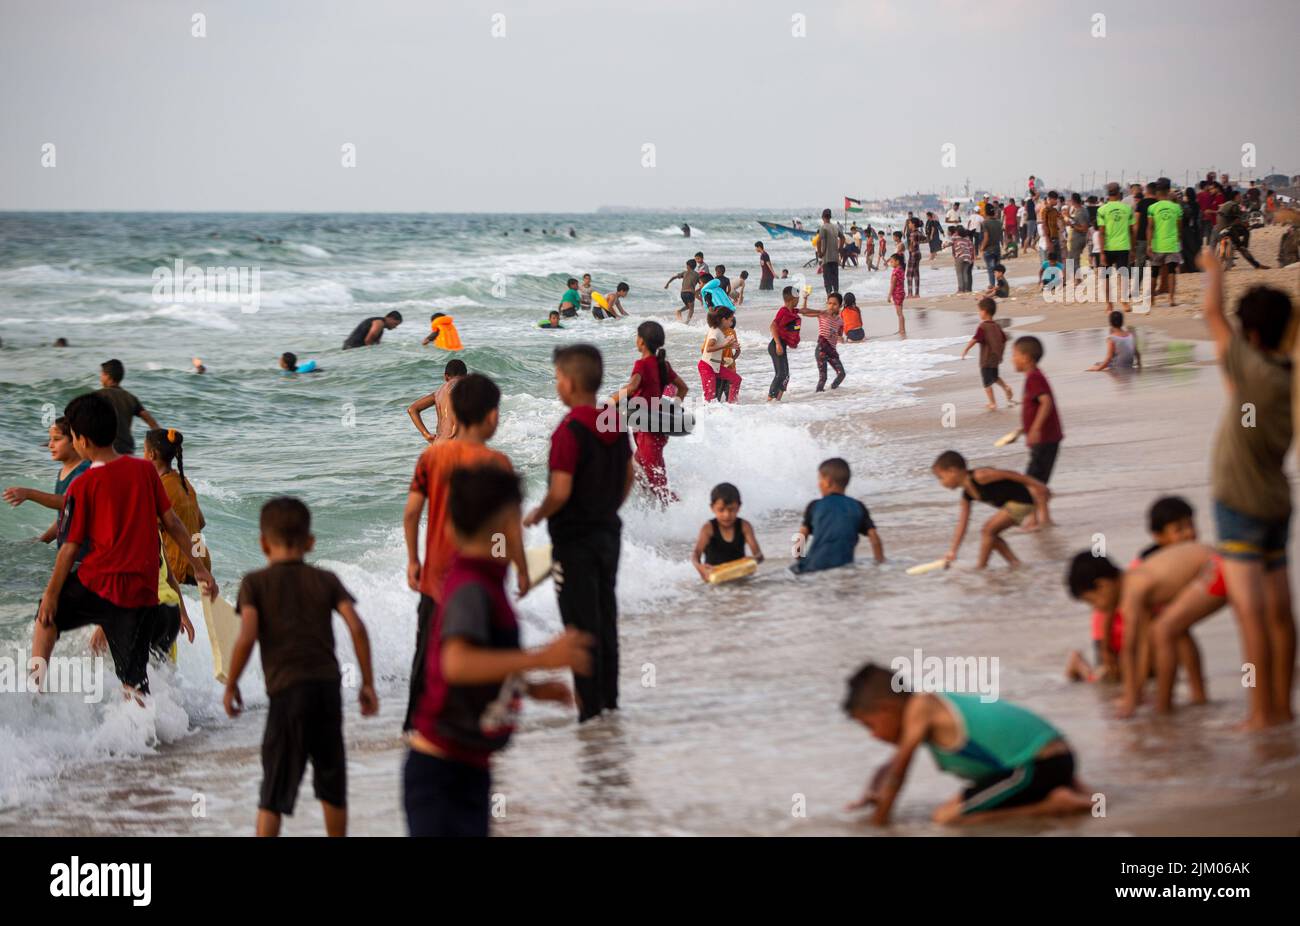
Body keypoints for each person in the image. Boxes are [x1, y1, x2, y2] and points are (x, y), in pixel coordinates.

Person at [404, 466, 589, 836]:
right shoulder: (472, 586)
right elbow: (456, 663)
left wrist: (532, 687)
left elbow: (484, 657)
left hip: (467, 765)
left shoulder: (487, 579)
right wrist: (540, 658)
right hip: (442, 774)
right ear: (507, 522)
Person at [31, 393, 216, 697]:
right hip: (140, 595)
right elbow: (173, 523)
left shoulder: (82, 484)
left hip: (99, 586)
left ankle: (34, 692)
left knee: (45, 619)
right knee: (134, 683)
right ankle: (146, 732)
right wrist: (200, 569)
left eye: (74, 438)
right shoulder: (144, 472)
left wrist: (51, 595)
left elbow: (70, 548)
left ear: (82, 440)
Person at [224, 496, 377, 837]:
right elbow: (357, 627)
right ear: (310, 542)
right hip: (326, 692)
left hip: (286, 695)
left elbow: (247, 636)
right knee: (331, 781)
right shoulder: (326, 579)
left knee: (274, 792)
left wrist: (231, 683)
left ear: (263, 543)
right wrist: (367, 683)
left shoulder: (255, 583)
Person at [1199, 248, 1295, 729]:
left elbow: (1212, 314)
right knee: (1279, 612)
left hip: (1239, 503)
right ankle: (1280, 707)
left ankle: (1261, 714)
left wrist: (1214, 271)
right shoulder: (1285, 376)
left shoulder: (1249, 369)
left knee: (1251, 615)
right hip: (1277, 501)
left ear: (1251, 334)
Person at [402, 373, 526, 732]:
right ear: (491, 416)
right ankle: (469, 721)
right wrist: (519, 567)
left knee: (426, 651)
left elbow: (411, 514)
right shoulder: (498, 462)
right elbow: (509, 526)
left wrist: (414, 560)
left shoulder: (431, 457)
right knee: (476, 648)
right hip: (479, 577)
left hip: (436, 573)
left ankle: (416, 725)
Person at [524, 345, 634, 723]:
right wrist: (608, 509)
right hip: (608, 532)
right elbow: (629, 475)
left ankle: (589, 711)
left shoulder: (568, 431)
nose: (557, 385)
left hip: (574, 541)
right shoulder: (614, 423)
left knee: (578, 624)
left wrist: (538, 513)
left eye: (557, 378)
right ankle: (610, 701)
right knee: (605, 616)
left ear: (568, 383)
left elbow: (561, 491)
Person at [843, 663, 1091, 825]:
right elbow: (891, 766)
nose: (873, 736)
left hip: (1036, 766)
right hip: (1051, 762)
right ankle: (1062, 791)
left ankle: (1051, 806)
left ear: (886, 709)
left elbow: (899, 772)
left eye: (870, 725)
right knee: (954, 809)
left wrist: (879, 823)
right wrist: (871, 791)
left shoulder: (922, 706)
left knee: (946, 817)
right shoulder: (928, 706)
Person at [1066, 545, 1223, 719]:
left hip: (1217, 569)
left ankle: (1164, 709)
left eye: (1092, 601)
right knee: (1175, 629)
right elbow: (1143, 644)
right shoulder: (1133, 579)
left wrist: (1131, 701)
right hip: (1219, 562)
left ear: (1102, 586)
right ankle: (1198, 697)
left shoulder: (1132, 594)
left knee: (1163, 630)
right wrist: (1136, 692)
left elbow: (1130, 649)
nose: (1096, 608)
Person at [609, 321, 688, 502]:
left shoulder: (642, 364)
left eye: (637, 337)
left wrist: (607, 403)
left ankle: (682, 515)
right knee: (638, 474)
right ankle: (654, 516)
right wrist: (672, 410)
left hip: (648, 433)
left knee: (658, 487)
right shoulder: (663, 365)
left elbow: (632, 387)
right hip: (654, 430)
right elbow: (683, 389)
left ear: (642, 341)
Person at [931, 450, 1050, 569]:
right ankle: (1014, 563)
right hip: (1012, 505)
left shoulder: (981, 476)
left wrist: (1037, 485)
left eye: (941, 477)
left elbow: (1011, 474)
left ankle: (981, 567)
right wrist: (952, 551)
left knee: (988, 530)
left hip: (1022, 501)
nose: (941, 483)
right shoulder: (967, 495)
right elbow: (962, 524)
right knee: (991, 535)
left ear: (952, 471)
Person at [3, 416, 90, 546]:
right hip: (69, 553)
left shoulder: (84, 470)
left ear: (75, 440)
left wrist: (29, 493)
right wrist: (43, 540)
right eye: (50, 439)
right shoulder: (63, 472)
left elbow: (68, 503)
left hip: (85, 555)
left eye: (56, 439)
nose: (50, 445)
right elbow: (66, 515)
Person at [142, 428, 211, 588]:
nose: (143, 455)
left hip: (179, 568)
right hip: (202, 561)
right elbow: (200, 522)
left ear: (152, 455)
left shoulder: (160, 487)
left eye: (144, 451)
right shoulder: (184, 483)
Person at [793, 458, 883, 573]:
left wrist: (799, 558)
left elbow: (801, 536)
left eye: (819, 479)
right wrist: (880, 561)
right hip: (843, 567)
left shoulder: (814, 506)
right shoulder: (858, 506)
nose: (818, 484)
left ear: (827, 482)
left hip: (813, 567)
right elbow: (874, 537)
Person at [1013, 335, 1062, 525]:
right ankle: (1043, 519)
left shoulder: (1034, 377)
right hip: (1047, 437)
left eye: (1015, 355)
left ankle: (1034, 521)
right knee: (1038, 482)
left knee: (1031, 482)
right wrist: (1024, 428)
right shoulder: (1035, 376)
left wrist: (1035, 428)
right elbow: (1037, 406)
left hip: (1044, 438)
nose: (1012, 359)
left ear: (1026, 358)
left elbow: (1046, 402)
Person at [691, 482, 764, 581]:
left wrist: (753, 560)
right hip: (716, 583)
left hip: (741, 580)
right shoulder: (708, 528)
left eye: (731, 510)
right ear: (712, 508)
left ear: (738, 507)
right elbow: (696, 554)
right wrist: (700, 568)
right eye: (721, 510)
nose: (726, 515)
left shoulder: (744, 526)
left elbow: (759, 556)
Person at [96, 359, 160, 455]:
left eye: (102, 374)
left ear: (107, 376)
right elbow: (151, 422)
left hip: (105, 449)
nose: (100, 377)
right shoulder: (130, 397)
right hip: (126, 449)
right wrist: (159, 445)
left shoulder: (97, 396)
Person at [960, 298, 1014, 409]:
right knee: (994, 377)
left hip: (985, 360)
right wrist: (1001, 354)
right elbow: (1004, 340)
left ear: (984, 312)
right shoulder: (997, 326)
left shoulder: (983, 327)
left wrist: (966, 349)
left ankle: (992, 403)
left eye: (979, 311)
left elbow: (975, 339)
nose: (979, 313)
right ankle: (1006, 387)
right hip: (995, 358)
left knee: (986, 382)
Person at [407, 359, 468, 443]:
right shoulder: (458, 383)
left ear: (446, 377)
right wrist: (456, 421)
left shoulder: (437, 393)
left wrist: (426, 434)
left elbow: (412, 409)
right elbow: (453, 390)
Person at [1097, 182, 1134, 311]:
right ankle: (1124, 302)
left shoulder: (1102, 210)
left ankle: (1109, 304)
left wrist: (1101, 253)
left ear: (1108, 194)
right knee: (1123, 276)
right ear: (1119, 193)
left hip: (1107, 248)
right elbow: (1131, 231)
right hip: (1123, 247)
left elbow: (1101, 232)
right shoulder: (1127, 209)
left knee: (1106, 277)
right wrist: (1133, 249)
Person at [800, 292, 847, 392]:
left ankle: (832, 391)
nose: (831, 306)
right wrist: (805, 299)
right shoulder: (822, 314)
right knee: (823, 378)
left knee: (841, 374)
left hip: (832, 351)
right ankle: (818, 397)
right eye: (829, 303)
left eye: (834, 304)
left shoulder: (840, 321)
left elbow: (839, 336)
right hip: (821, 349)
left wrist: (839, 338)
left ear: (840, 306)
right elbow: (804, 312)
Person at [766, 286, 802, 401]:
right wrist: (778, 344)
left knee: (786, 376)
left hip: (781, 346)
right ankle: (769, 400)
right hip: (776, 345)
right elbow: (772, 326)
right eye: (798, 297)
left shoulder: (792, 311)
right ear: (793, 299)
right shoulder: (783, 311)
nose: (799, 300)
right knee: (781, 374)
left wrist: (821, 312)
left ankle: (777, 401)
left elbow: (806, 311)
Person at [698, 307, 738, 402]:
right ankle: (707, 414)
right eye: (730, 320)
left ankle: (732, 405)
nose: (732, 323)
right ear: (724, 320)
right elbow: (708, 348)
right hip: (707, 367)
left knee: (736, 379)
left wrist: (729, 347)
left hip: (716, 365)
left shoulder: (721, 331)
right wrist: (725, 345)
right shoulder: (715, 332)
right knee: (710, 396)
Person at [976, 203, 1003, 290]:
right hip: (997, 248)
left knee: (991, 269)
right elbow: (1000, 235)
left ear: (986, 213)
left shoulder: (985, 223)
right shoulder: (999, 222)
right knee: (997, 268)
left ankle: (992, 285)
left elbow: (986, 237)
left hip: (989, 249)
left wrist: (982, 248)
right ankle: (999, 284)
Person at [664, 259, 700, 323]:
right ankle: (687, 322)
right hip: (690, 293)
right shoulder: (697, 274)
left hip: (682, 293)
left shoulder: (684, 273)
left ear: (688, 266)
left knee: (688, 306)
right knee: (691, 309)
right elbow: (701, 283)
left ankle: (679, 311)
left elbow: (673, 277)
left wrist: (667, 284)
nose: (686, 267)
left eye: (686, 266)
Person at [950, 227, 974, 293]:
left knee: (959, 273)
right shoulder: (967, 238)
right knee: (965, 273)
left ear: (957, 232)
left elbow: (950, 243)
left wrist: (943, 246)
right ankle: (966, 289)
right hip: (968, 256)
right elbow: (971, 247)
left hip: (959, 256)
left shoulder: (955, 237)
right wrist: (972, 258)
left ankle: (960, 289)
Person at [888, 253, 906, 337]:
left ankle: (902, 330)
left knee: (899, 313)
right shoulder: (901, 269)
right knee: (900, 313)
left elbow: (893, 284)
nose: (890, 263)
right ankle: (901, 329)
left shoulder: (896, 271)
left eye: (892, 262)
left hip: (897, 293)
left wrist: (889, 295)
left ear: (897, 262)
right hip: (901, 292)